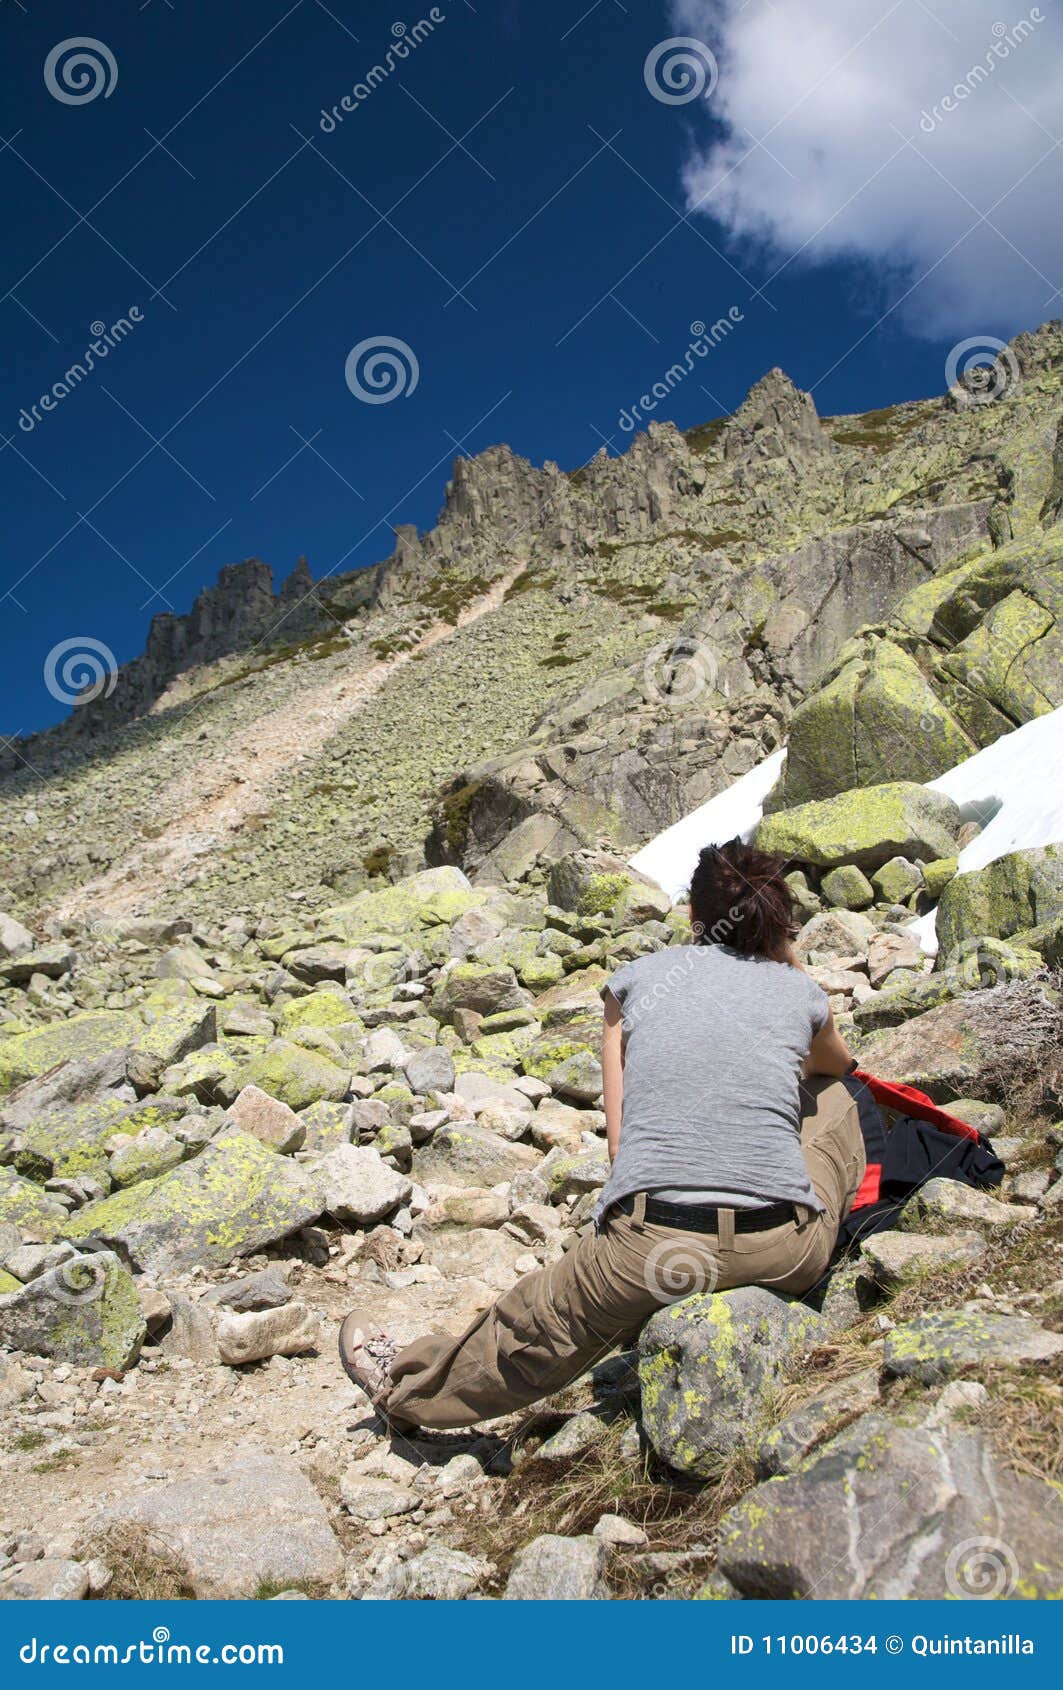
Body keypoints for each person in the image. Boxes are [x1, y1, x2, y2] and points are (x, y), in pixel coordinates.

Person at [338, 838, 866, 1433]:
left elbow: (619, 1150)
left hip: (652, 1250)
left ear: (693, 918)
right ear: (778, 921)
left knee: (534, 1323)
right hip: (783, 1251)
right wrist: (784, 958)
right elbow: (836, 1068)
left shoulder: (635, 982)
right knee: (840, 1099)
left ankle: (404, 1386)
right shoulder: (800, 992)